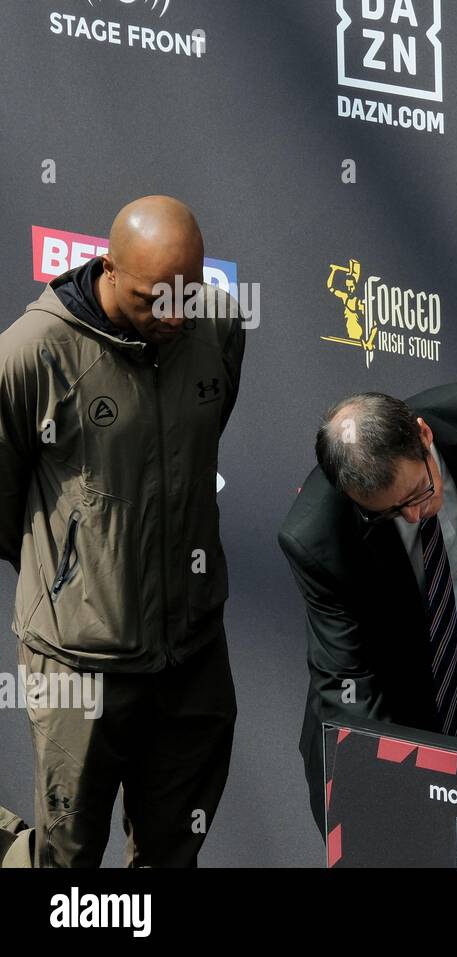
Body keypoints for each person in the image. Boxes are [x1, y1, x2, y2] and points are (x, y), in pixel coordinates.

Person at [0, 195, 245, 867]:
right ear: (108, 268)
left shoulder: (219, 325)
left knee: (172, 850)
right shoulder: (33, 353)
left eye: (186, 294)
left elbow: (199, 443)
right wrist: (78, 575)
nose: (172, 313)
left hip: (191, 650)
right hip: (81, 661)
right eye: (151, 297)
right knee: (65, 859)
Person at [278, 381, 457, 838]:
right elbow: (350, 687)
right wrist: (403, 791)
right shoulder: (316, 535)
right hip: (401, 712)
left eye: (418, 493)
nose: (414, 517)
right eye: (390, 512)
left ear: (424, 436)